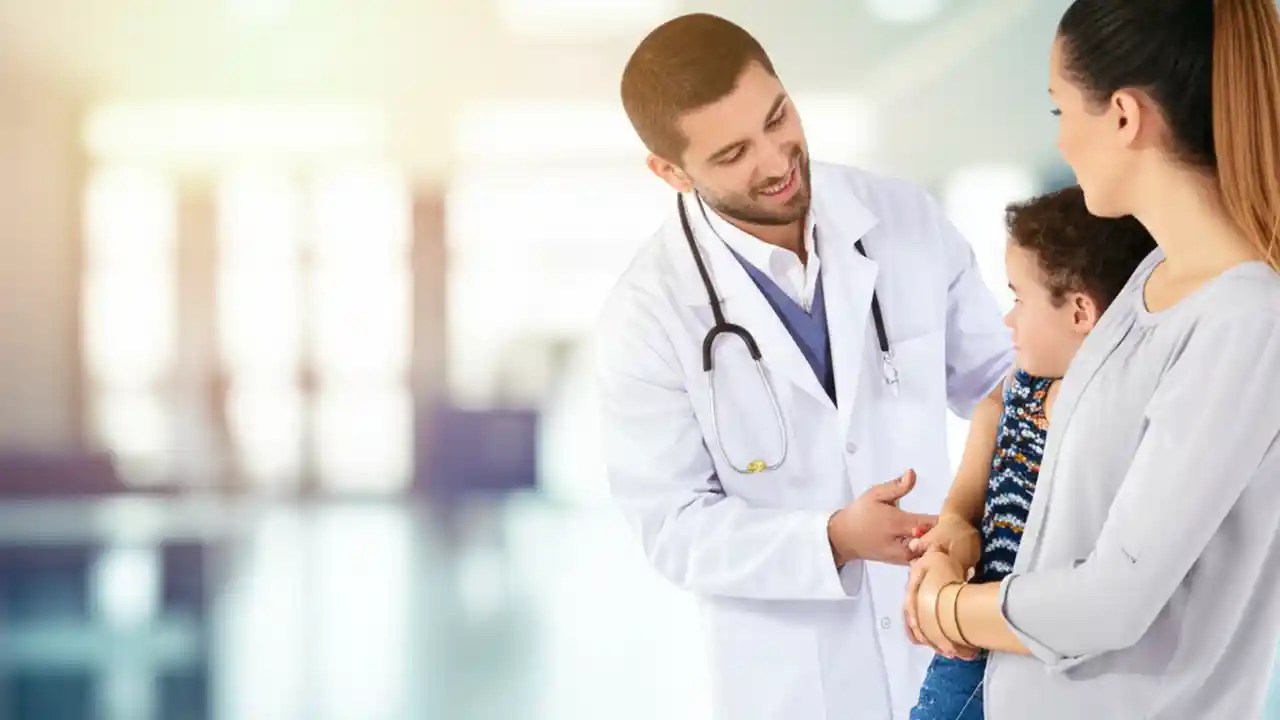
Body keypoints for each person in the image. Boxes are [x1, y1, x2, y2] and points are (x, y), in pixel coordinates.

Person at [594, 12, 1013, 719]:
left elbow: (1001, 385)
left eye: (778, 116)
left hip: (941, 640)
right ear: (669, 171)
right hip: (793, 683)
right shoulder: (649, 313)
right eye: (732, 154)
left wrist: (969, 513)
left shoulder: (902, 219)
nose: (776, 159)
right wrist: (831, 539)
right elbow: (672, 527)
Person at [903, 1, 1280, 717]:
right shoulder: (1153, 278)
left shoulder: (1245, 319)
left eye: (1059, 109)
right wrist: (958, 523)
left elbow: (1112, 601)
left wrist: (945, 609)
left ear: (1123, 115)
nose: (1065, 142)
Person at [905, 185, 1156, 720]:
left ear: (1081, 311)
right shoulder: (1030, 382)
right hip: (973, 641)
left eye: (1019, 298)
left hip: (1019, 650)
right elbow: (992, 405)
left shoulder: (1107, 413)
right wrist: (956, 515)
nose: (1008, 320)